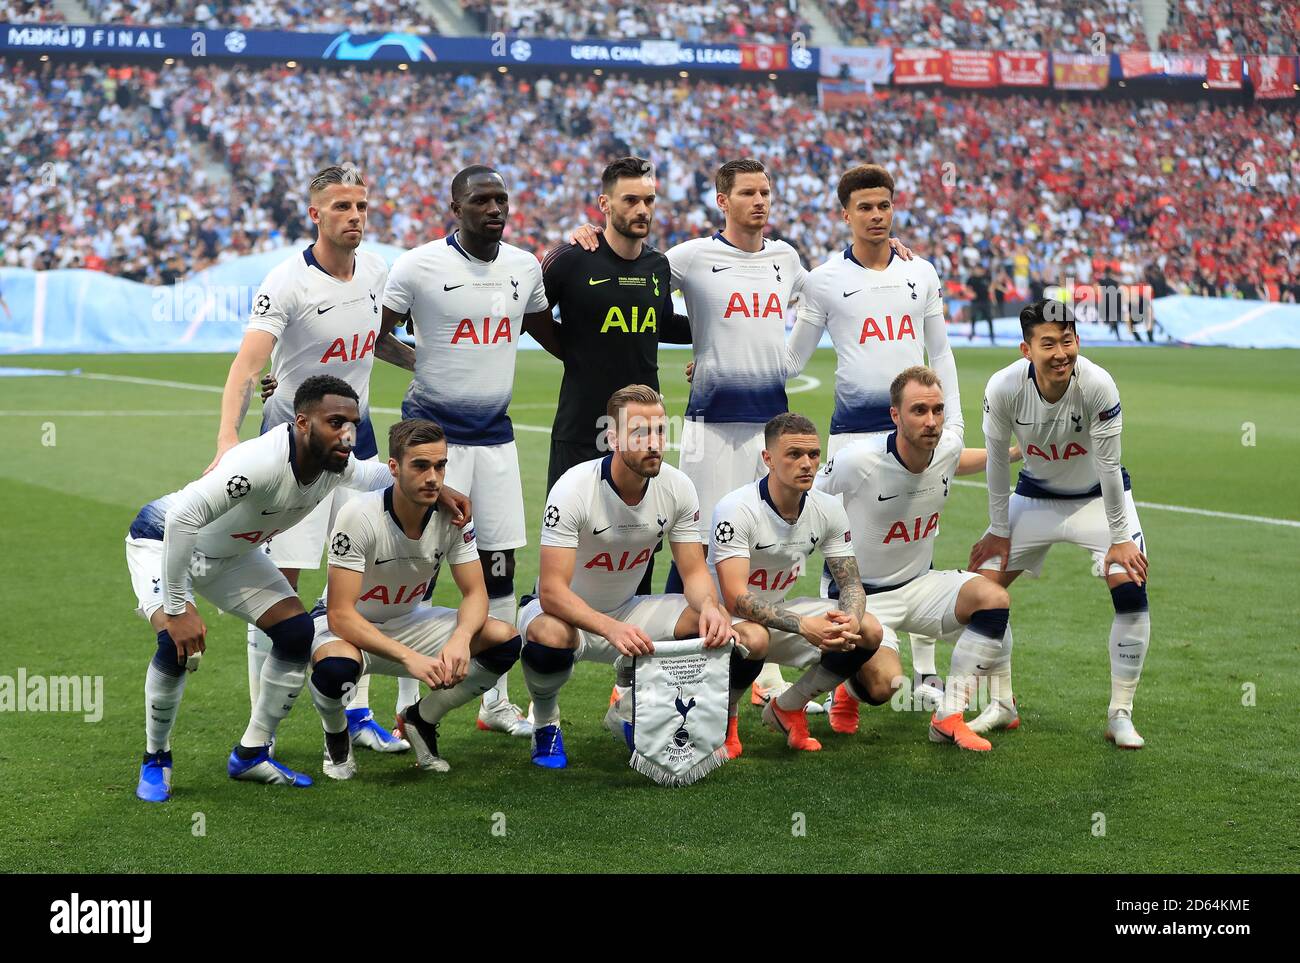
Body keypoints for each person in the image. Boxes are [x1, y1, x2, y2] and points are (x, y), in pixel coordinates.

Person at [126, 375, 470, 801]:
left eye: (353, 423)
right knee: (178, 645)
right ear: (302, 422)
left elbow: (380, 475)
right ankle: (156, 758)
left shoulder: (337, 462)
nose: (347, 433)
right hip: (164, 541)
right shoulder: (260, 463)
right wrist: (177, 607)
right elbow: (182, 520)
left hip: (233, 555)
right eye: (335, 421)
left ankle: (251, 753)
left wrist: (440, 490)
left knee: (295, 632)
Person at [207, 164, 415, 755]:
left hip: (360, 441)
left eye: (361, 206)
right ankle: (262, 734)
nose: (354, 217)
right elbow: (247, 369)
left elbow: (374, 339)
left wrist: (429, 366)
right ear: (315, 214)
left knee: (364, 579)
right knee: (282, 588)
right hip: (295, 454)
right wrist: (228, 441)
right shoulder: (286, 282)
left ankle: (357, 715)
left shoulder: (376, 269)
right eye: (342, 207)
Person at [379, 165, 550, 739]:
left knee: (499, 566)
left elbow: (537, 327)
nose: (495, 208)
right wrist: (422, 364)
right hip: (432, 441)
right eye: (482, 199)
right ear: (456, 207)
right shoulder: (418, 265)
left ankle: (494, 701)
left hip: (496, 439)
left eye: (502, 199)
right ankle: (407, 701)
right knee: (418, 568)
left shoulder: (524, 267)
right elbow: (378, 335)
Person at [783, 163, 959, 706]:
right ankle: (837, 672)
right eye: (865, 207)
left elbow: (942, 350)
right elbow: (793, 360)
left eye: (884, 205)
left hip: (915, 434)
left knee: (916, 544)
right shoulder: (823, 280)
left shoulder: (921, 272)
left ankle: (925, 671)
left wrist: (952, 424)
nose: (876, 215)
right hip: (854, 439)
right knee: (843, 551)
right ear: (845, 214)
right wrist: (721, 357)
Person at [519, 385, 760, 769]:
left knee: (716, 626)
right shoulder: (574, 488)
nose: (654, 443)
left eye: (660, 431)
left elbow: (694, 570)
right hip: (566, 615)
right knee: (548, 637)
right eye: (640, 433)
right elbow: (550, 592)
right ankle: (545, 723)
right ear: (612, 437)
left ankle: (631, 711)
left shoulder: (677, 486)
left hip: (629, 610)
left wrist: (711, 607)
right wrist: (608, 628)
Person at [969, 300, 1150, 749]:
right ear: (1026, 350)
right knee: (980, 593)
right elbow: (995, 461)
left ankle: (1120, 713)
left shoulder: (1099, 384)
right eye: (1047, 343)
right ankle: (1002, 703)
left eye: (1067, 341)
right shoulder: (1003, 388)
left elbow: (1109, 466)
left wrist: (1121, 537)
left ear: (1078, 342)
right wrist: (998, 528)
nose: (1060, 353)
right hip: (1034, 497)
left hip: (1099, 500)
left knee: (1130, 589)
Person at [816, 366, 1017, 750]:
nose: (931, 422)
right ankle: (846, 691)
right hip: (862, 597)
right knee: (883, 686)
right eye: (919, 411)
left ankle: (949, 718)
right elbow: (808, 499)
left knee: (994, 602)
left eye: (938, 410)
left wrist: (1012, 453)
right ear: (895, 415)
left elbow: (956, 459)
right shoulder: (857, 461)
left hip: (920, 585)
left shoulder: (947, 448)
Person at [308, 419, 523, 777]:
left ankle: (421, 719)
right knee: (336, 671)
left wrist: (460, 639)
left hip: (407, 621)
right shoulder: (358, 516)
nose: (433, 478)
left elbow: (475, 593)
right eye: (420, 466)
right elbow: (340, 615)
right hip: (347, 631)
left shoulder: (453, 517)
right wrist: (411, 659)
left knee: (503, 639)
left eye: (440, 466)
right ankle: (336, 736)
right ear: (394, 468)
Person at [530, 156, 691, 596]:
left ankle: (630, 657)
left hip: (642, 431)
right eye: (631, 199)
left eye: (649, 200)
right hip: (581, 424)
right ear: (604, 203)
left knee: (639, 546)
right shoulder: (569, 259)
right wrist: (572, 353)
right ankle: (554, 645)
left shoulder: (658, 267)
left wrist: (719, 340)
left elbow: (664, 323)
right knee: (569, 542)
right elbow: (531, 312)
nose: (643, 209)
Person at [709, 413, 882, 756]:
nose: (807, 464)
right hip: (720, 622)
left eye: (814, 455)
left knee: (869, 630)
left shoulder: (828, 508)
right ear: (768, 459)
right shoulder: (736, 508)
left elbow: (850, 583)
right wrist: (804, 626)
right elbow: (734, 597)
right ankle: (723, 721)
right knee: (755, 637)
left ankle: (789, 706)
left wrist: (849, 618)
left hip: (778, 614)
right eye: (794, 455)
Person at [965, 264, 995, 343]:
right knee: (973, 317)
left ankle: (992, 337)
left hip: (985, 301)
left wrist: (991, 289)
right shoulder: (972, 278)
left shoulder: (986, 277)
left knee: (989, 318)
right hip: (976, 301)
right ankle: (972, 332)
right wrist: (971, 294)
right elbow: (966, 288)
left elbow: (992, 284)